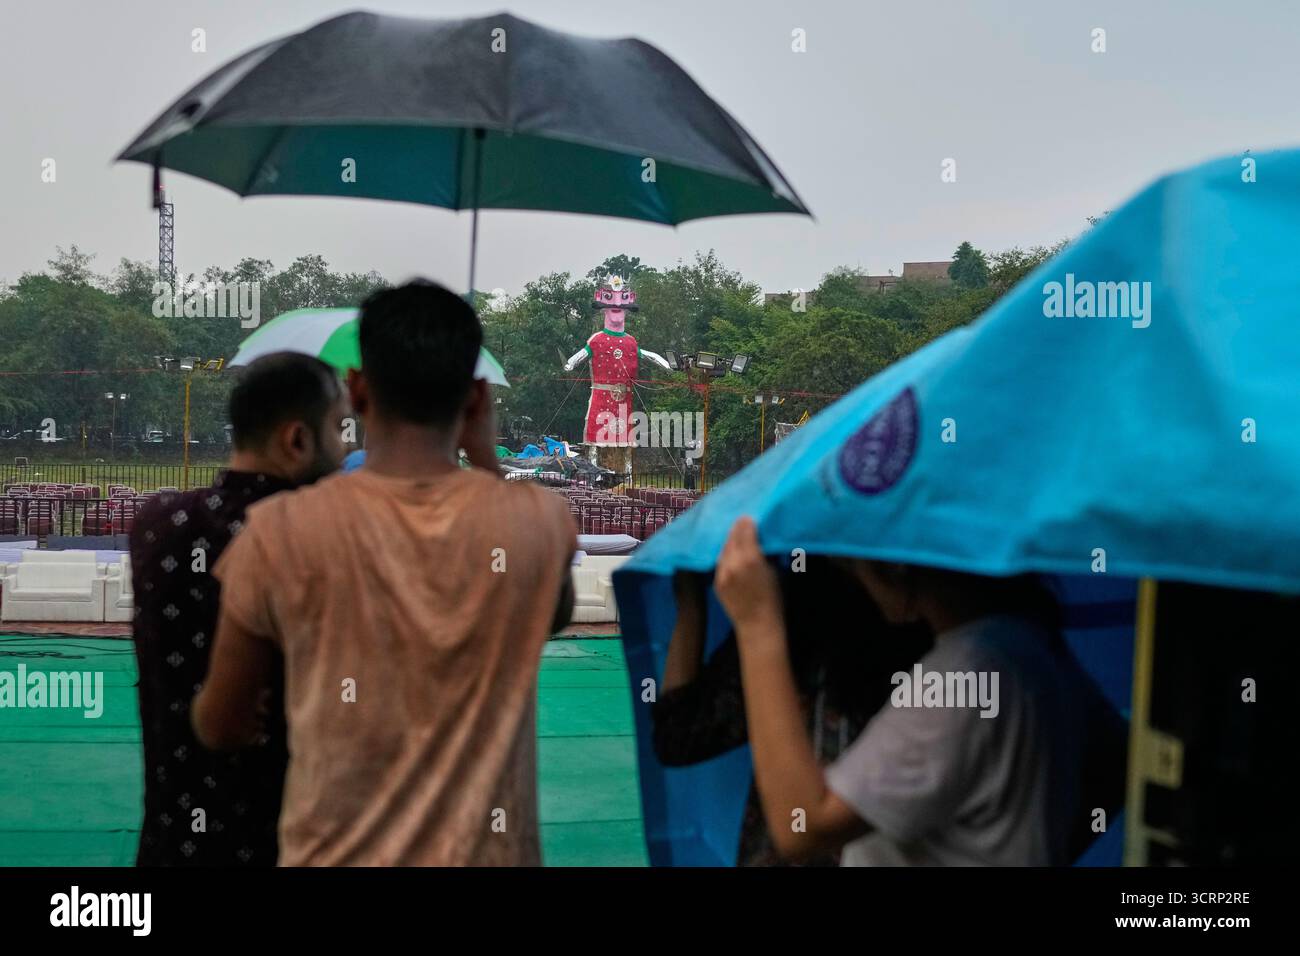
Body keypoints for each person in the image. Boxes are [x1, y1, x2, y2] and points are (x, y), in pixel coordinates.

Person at [192, 280, 576, 866]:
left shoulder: (278, 531)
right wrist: (489, 460)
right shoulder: (537, 520)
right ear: (475, 400)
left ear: (356, 389)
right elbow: (556, 614)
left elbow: (221, 724)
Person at [713, 516, 1127, 866]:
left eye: (855, 566)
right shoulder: (1033, 646)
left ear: (898, 568)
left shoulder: (963, 675)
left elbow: (801, 824)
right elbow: (1117, 762)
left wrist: (758, 624)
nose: (856, 581)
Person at [131, 352, 349, 866]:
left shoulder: (157, 524)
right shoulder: (315, 538)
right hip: (285, 841)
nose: (346, 450)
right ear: (297, 440)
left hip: (173, 838)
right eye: (340, 429)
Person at [652, 560, 931, 865]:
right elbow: (679, 733)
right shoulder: (958, 655)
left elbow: (680, 733)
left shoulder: (796, 619)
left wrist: (743, 619)